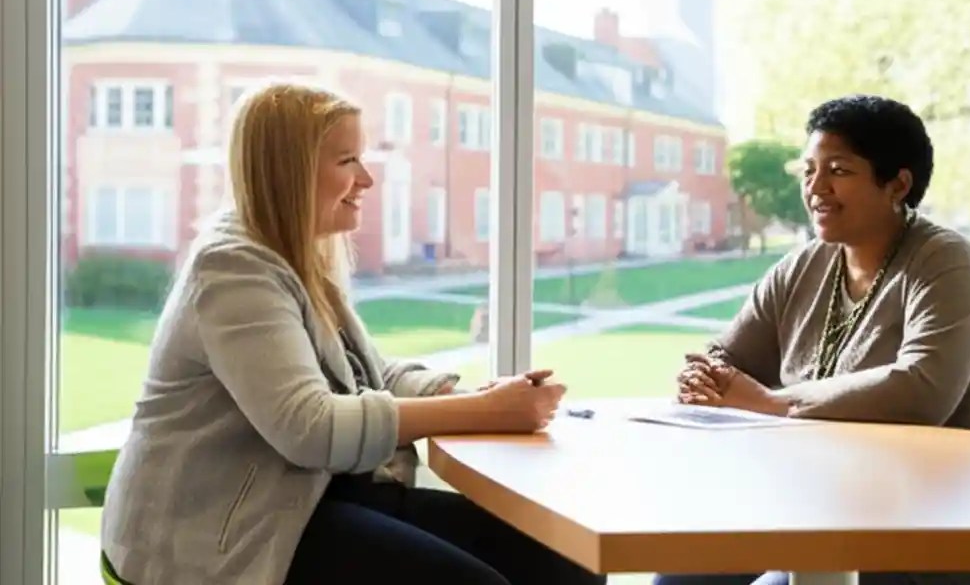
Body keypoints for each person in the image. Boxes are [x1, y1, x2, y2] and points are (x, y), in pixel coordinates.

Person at [100, 83, 604, 585]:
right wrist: (485, 413)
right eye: (347, 161)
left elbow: (364, 375)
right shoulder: (232, 270)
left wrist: (466, 396)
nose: (366, 179)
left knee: (567, 564)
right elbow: (311, 428)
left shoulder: (296, 254)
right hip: (213, 538)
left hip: (299, 503)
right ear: (289, 171)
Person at [656, 95, 970, 585]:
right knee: (684, 573)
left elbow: (922, 390)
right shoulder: (803, 266)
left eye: (838, 170)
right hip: (834, 500)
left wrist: (772, 404)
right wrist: (704, 379)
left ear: (897, 184)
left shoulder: (947, 264)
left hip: (962, 518)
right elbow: (726, 360)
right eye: (809, 171)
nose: (816, 188)